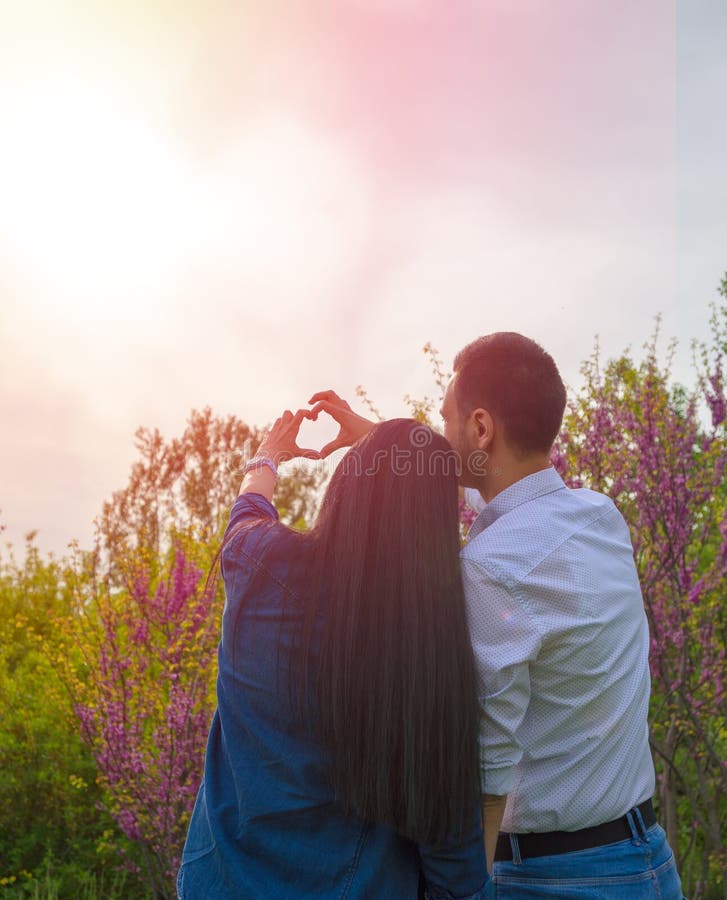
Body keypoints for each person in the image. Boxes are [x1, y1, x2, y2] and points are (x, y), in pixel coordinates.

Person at [309, 332, 684, 899]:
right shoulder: (602, 517)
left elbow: (486, 774)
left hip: (554, 880)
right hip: (647, 859)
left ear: (481, 429)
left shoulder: (489, 569)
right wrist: (383, 444)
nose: (442, 432)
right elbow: (513, 520)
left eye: (447, 418)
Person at [177, 412, 490, 899]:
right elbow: (453, 860)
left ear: (346, 485)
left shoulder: (258, 561)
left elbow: (248, 509)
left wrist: (269, 454)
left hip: (220, 884)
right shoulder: (429, 652)